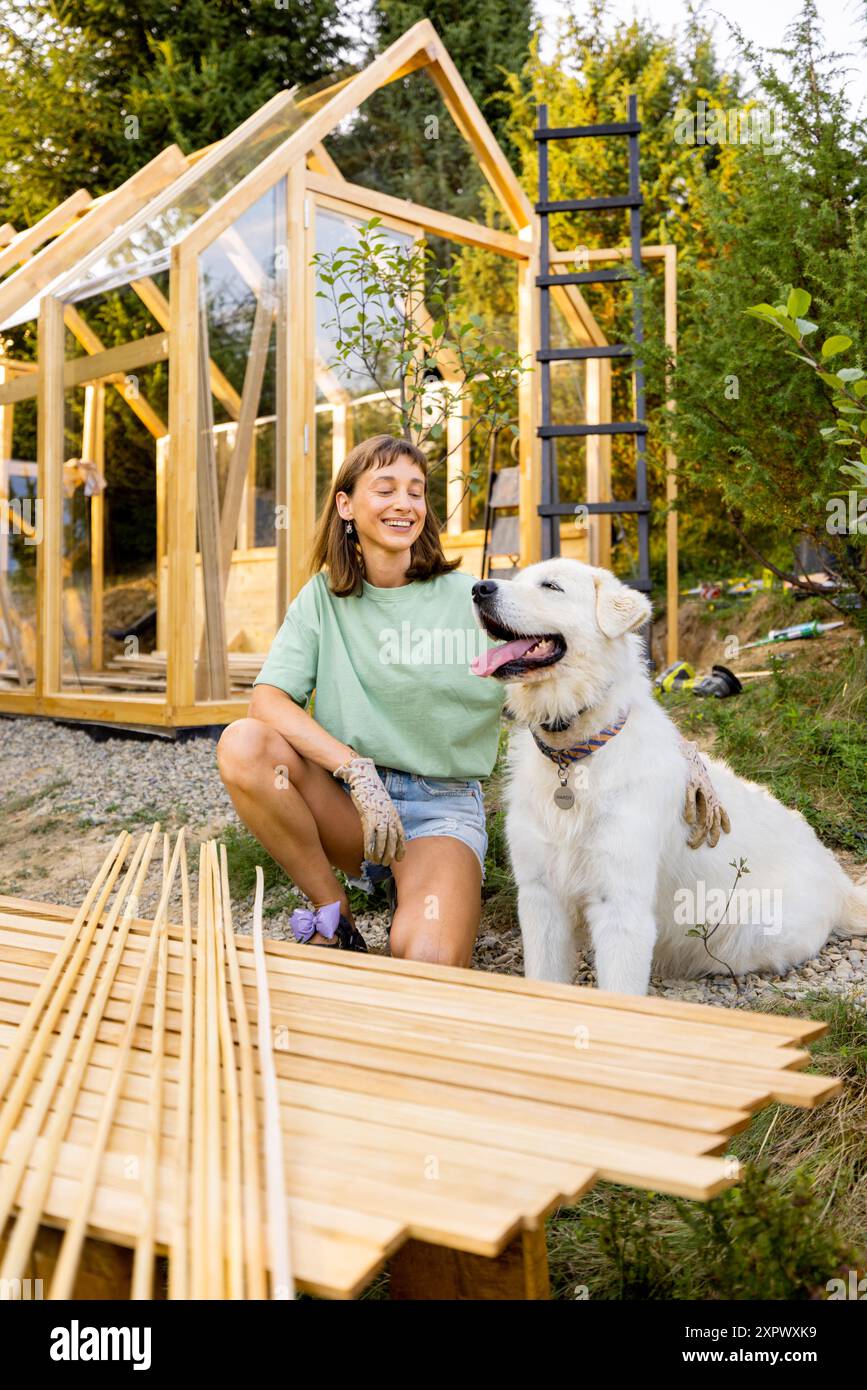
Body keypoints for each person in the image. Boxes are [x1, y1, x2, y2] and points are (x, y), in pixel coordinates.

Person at [217, 433, 727, 966]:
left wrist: (676, 752)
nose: (404, 504)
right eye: (385, 488)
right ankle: (333, 912)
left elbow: (585, 670)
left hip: (440, 813)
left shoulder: (475, 600)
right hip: (350, 808)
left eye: (416, 492)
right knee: (244, 745)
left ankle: (413, 890)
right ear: (346, 505)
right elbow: (268, 702)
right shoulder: (321, 599)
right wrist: (355, 772)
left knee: (429, 962)